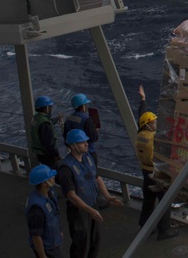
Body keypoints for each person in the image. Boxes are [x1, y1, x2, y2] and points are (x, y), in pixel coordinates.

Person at [57, 129, 122, 258]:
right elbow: (71, 195)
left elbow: (96, 178)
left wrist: (108, 197)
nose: (87, 144)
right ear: (73, 146)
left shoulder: (88, 158)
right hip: (78, 212)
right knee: (81, 243)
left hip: (93, 205)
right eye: (82, 142)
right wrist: (90, 211)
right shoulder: (66, 168)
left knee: (95, 241)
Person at [135, 85, 178, 240]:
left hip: (145, 172)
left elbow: (141, 116)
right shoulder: (154, 138)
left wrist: (143, 100)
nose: (155, 124)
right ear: (148, 125)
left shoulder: (141, 133)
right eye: (153, 122)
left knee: (148, 199)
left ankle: (144, 227)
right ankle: (164, 230)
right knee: (164, 201)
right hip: (156, 173)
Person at [26, 164, 63, 258]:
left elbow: (54, 214)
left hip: (52, 243)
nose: (54, 177)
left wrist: (59, 232)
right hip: (47, 249)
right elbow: (36, 235)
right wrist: (42, 256)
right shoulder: (36, 209)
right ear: (44, 183)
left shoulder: (49, 192)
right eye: (50, 176)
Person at [63, 93, 99, 165]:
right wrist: (96, 130)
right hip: (88, 152)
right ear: (83, 106)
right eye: (85, 104)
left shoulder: (69, 118)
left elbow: (65, 135)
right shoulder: (86, 119)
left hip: (75, 152)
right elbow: (93, 137)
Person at [31, 95, 62, 168]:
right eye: (50, 107)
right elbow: (48, 143)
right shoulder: (44, 123)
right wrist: (56, 155)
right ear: (45, 109)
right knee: (54, 172)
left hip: (39, 153)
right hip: (47, 155)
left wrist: (57, 118)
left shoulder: (36, 118)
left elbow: (48, 122)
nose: (51, 109)